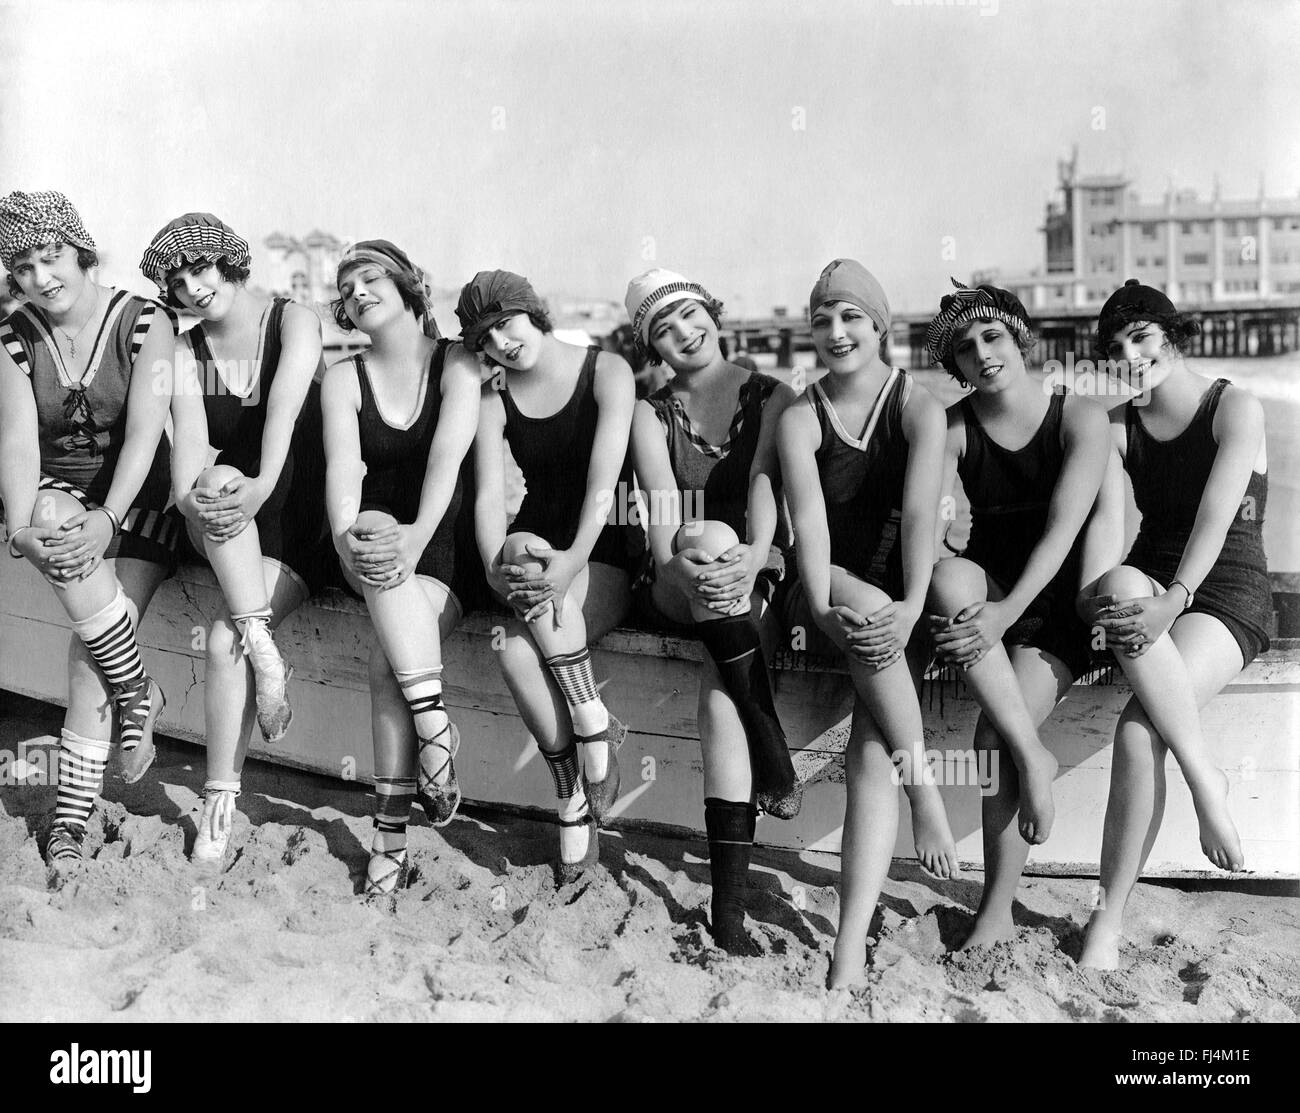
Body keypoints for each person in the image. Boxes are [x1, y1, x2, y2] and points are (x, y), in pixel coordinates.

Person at [1078, 279, 1268, 969]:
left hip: (1224, 591)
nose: (1129, 354)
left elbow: (1218, 520)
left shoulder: (1233, 406)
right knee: (1121, 580)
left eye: (1141, 335)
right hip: (1151, 586)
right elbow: (1104, 535)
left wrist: (1174, 599)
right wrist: (1094, 602)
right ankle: (1202, 774)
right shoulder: (1117, 426)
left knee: (1137, 728)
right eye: (1115, 346)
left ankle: (1106, 918)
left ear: (1170, 333)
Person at [777, 258, 956, 987]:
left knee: (871, 751)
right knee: (867, 610)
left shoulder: (919, 407)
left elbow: (920, 515)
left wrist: (915, 602)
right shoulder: (800, 414)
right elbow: (810, 526)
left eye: (851, 316)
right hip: (823, 588)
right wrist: (821, 603)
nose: (836, 331)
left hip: (894, 600)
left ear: (879, 325)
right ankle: (929, 796)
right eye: (822, 320)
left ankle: (848, 945)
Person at [923, 279, 1113, 949]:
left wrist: (1003, 616)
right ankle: (1037, 756)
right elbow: (921, 519)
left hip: (1059, 603)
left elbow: (1062, 533)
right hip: (992, 588)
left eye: (993, 336)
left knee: (988, 741)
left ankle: (996, 909)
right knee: (947, 576)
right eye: (966, 349)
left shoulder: (1081, 417)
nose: (982, 353)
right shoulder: (953, 425)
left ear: (1020, 337)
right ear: (956, 366)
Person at [139, 212, 328, 866]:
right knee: (213, 475)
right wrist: (211, 494)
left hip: (291, 522)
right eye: (178, 280)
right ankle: (263, 645)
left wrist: (258, 483)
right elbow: (188, 456)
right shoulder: (185, 352)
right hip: (219, 524)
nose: (193, 287)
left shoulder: (294, 321)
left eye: (201, 267)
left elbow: (282, 415)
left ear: (228, 259)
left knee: (224, 640)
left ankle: (218, 800)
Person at [626, 267, 800, 955]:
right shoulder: (651, 412)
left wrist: (754, 554)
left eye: (690, 315)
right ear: (653, 347)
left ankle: (727, 912)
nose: (683, 333)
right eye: (663, 330)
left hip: (754, 569)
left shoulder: (772, 395)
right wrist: (692, 564)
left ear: (712, 311)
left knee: (718, 700)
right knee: (706, 535)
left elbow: (764, 485)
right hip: (676, 573)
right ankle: (775, 756)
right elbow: (664, 523)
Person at [0, 190, 176, 866]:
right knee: (44, 513)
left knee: (89, 653)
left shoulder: (144, 319)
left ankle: (68, 818)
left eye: (52, 258)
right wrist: (19, 526)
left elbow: (142, 435)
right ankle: (139, 693)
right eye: (23, 267)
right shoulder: (15, 336)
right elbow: (18, 442)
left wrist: (111, 518)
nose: (43, 278)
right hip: (62, 499)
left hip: (140, 501)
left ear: (81, 250)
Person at [464, 270, 636, 886]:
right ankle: (575, 780)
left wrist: (572, 562)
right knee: (513, 640)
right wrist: (492, 566)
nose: (503, 342)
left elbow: (602, 484)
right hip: (537, 542)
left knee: (515, 645)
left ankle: (589, 734)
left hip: (604, 539)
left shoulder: (608, 371)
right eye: (486, 337)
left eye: (506, 322)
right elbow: (489, 497)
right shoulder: (492, 394)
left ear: (531, 311)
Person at [322, 240, 481, 896]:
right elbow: (342, 473)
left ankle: (389, 837)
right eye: (348, 286)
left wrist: (411, 541)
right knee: (370, 529)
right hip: (368, 549)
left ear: (410, 285)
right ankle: (435, 728)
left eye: (371, 278)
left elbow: (447, 459)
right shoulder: (342, 378)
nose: (359, 291)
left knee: (382, 664)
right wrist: (346, 545)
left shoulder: (458, 362)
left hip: (445, 545)